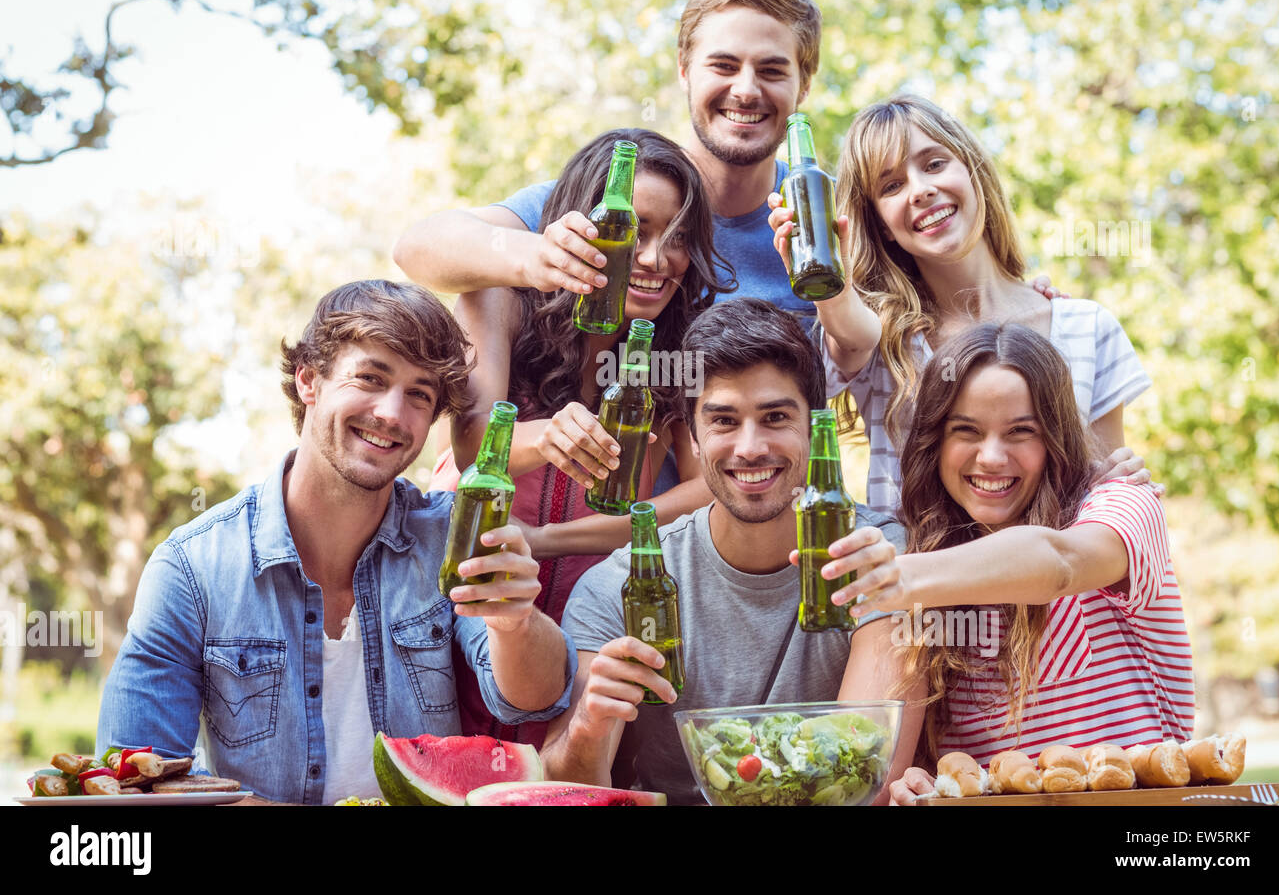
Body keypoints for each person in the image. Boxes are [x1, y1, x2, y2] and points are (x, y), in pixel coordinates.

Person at [96, 280, 576, 804]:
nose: (392, 414)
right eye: (370, 378)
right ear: (308, 380)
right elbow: (134, 777)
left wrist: (516, 622)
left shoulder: (450, 533)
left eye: (419, 394)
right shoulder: (193, 568)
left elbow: (534, 700)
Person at [430, 128, 732, 746]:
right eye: (636, 231)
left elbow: (704, 493)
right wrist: (544, 438)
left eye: (676, 239)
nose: (654, 258)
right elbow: (467, 444)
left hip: (597, 615)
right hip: (478, 589)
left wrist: (547, 540)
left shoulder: (677, 347)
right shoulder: (502, 301)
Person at [540, 298, 906, 805]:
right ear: (691, 436)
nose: (750, 447)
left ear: (814, 427)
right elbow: (567, 789)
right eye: (724, 421)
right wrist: (588, 724)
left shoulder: (879, 557)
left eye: (775, 416)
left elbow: (869, 775)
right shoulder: (617, 587)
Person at [824, 323, 1194, 804]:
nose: (992, 457)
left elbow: (1059, 562)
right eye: (966, 431)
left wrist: (904, 576)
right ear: (934, 443)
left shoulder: (1123, 505)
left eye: (1021, 431)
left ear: (1054, 437)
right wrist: (920, 786)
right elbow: (927, 772)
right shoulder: (928, 572)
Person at [768, 94, 1153, 514]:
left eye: (934, 164)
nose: (921, 190)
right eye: (891, 186)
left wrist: (1120, 482)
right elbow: (850, 332)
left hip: (1057, 576)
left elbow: (1106, 503)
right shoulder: (886, 337)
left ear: (972, 172)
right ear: (882, 225)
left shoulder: (1087, 327)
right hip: (920, 576)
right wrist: (829, 279)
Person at [393, 0, 822, 328]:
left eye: (771, 70)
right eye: (723, 65)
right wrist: (536, 254)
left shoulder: (834, 220)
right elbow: (418, 247)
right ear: (684, 70)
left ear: (804, 84)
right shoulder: (619, 195)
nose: (746, 90)